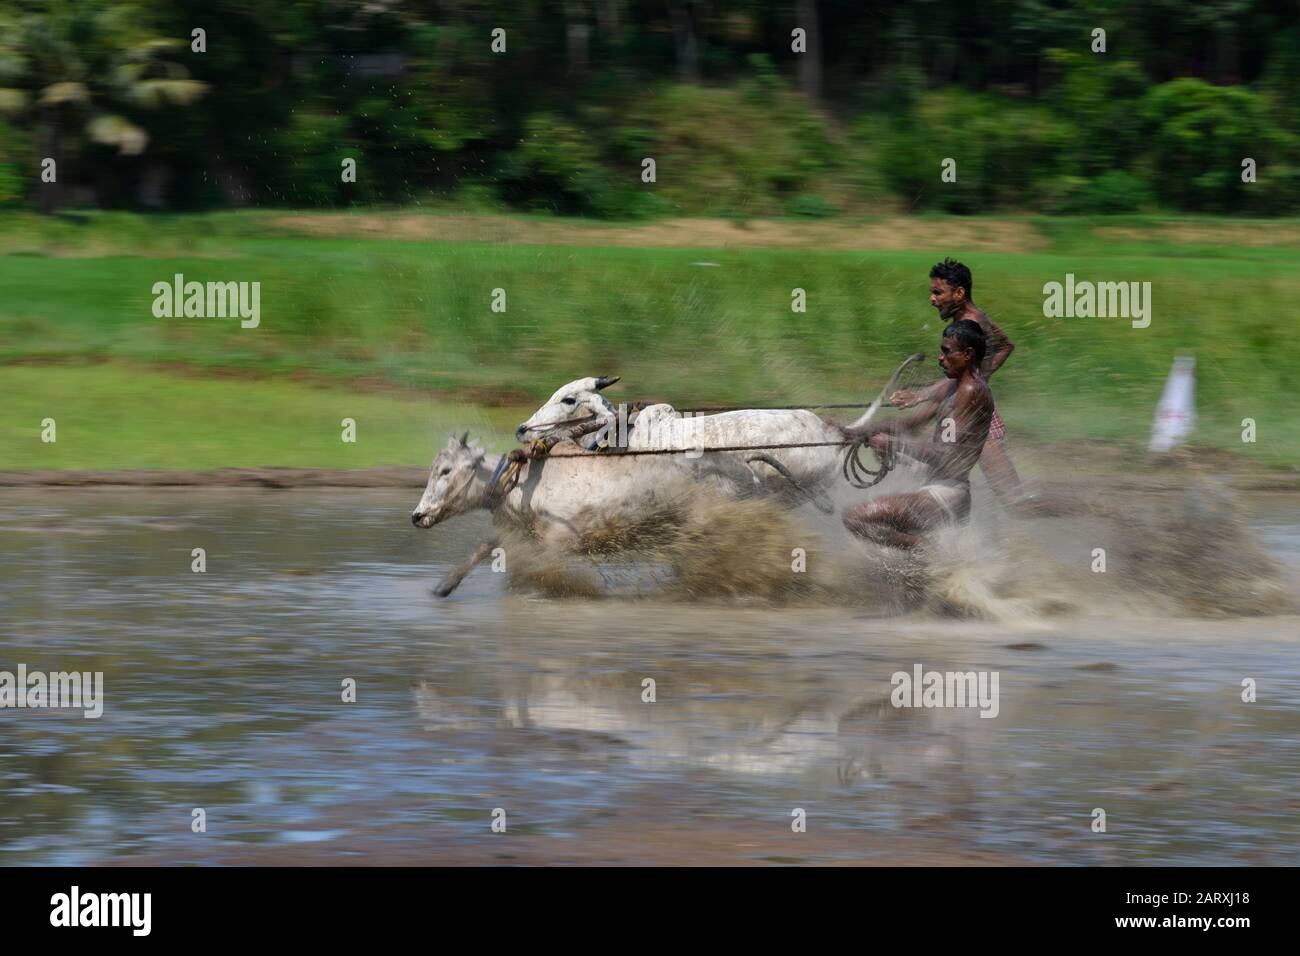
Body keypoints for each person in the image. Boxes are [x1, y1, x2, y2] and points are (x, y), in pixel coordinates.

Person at [837, 320, 993, 550]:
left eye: (947, 351)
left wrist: (894, 444)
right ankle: (924, 562)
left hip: (947, 493)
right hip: (933, 482)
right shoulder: (952, 386)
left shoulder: (971, 391)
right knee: (863, 520)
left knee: (856, 518)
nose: (940, 357)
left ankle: (932, 557)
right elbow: (908, 424)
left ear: (968, 354)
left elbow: (946, 454)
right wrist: (854, 432)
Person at [890, 258, 1023, 501]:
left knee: (1016, 501)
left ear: (959, 293)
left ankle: (1087, 509)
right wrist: (980, 377)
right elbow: (1005, 345)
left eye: (938, 292)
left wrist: (919, 395)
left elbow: (1002, 348)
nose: (932, 299)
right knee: (939, 476)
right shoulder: (973, 316)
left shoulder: (969, 323)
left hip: (977, 419)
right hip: (964, 409)